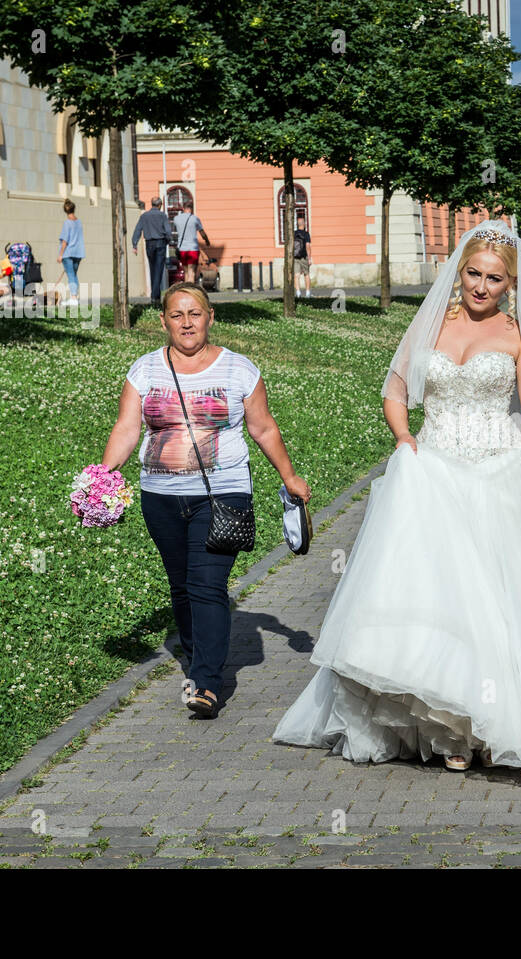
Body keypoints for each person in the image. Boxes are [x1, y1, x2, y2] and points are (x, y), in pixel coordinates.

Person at [274, 220, 521, 777]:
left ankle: (492, 726)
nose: (481, 286)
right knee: (435, 597)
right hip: (433, 471)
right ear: (459, 271)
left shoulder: (517, 335)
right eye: (473, 273)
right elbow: (394, 393)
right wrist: (404, 438)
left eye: (495, 279)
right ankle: (445, 724)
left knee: (500, 605)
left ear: (509, 284)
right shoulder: (431, 326)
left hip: (499, 469)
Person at [99, 282, 311, 717]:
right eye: (177, 315)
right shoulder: (144, 371)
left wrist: (289, 476)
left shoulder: (239, 370)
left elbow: (264, 428)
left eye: (194, 313)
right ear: (163, 322)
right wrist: (103, 477)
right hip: (160, 497)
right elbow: (126, 428)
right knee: (182, 586)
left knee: (207, 586)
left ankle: (207, 683)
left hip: (222, 495)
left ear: (211, 317)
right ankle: (199, 658)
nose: (187, 322)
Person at [131, 196, 172, 308]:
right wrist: (168, 240)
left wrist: (134, 244)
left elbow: (137, 230)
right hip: (160, 243)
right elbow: (168, 231)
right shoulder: (162, 215)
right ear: (159, 205)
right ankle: (155, 297)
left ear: (151, 204)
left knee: (153, 269)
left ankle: (156, 297)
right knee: (158, 270)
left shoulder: (144, 216)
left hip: (149, 244)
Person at [172, 200, 211, 284]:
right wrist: (207, 241)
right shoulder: (195, 219)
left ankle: (186, 290)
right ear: (192, 209)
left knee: (186, 272)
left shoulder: (176, 219)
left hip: (182, 249)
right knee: (192, 272)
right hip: (193, 248)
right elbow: (202, 233)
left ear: (183, 208)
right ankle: (190, 291)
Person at [58, 199, 84, 307]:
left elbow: (65, 240)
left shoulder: (67, 223)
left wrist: (60, 255)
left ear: (65, 211)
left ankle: (73, 298)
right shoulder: (79, 222)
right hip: (78, 252)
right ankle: (75, 297)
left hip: (68, 253)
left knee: (71, 275)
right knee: (73, 275)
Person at [292, 213, 312, 297]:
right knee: (306, 274)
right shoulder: (306, 234)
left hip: (295, 257)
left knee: (296, 275)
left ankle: (298, 293)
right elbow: (307, 246)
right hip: (304, 256)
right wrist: (309, 258)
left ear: (297, 224)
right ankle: (307, 293)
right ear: (304, 224)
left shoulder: (294, 233)